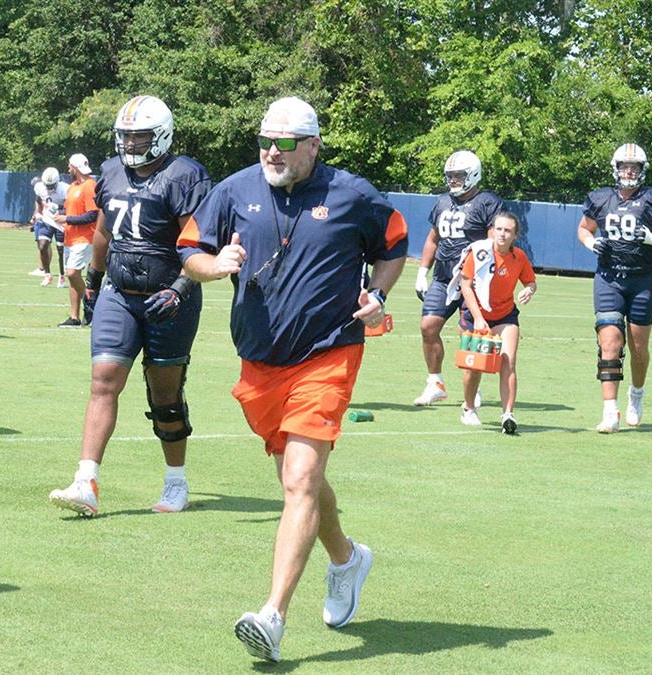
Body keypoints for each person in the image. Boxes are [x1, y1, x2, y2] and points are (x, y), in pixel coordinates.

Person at [178, 97, 407, 663]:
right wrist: (215, 265)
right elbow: (189, 251)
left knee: (301, 479)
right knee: (299, 482)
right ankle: (347, 559)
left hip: (329, 355)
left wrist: (377, 296)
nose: (271, 152)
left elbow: (395, 243)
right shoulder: (233, 190)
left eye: (283, 143)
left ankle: (272, 615)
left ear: (313, 145)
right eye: (264, 142)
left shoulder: (353, 194)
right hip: (259, 362)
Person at [48, 95, 212, 517]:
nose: (131, 146)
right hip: (119, 293)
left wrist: (179, 287)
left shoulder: (184, 174)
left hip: (169, 296)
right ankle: (86, 480)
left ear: (161, 136)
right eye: (126, 137)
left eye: (139, 137)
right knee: (103, 378)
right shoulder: (111, 171)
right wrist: (96, 281)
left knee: (165, 395)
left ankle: (175, 481)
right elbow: (103, 230)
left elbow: (197, 242)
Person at [577, 143, 652, 432]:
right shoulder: (600, 198)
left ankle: (636, 393)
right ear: (615, 168)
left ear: (642, 170)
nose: (629, 171)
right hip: (609, 277)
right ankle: (610, 411)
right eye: (624, 166)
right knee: (609, 341)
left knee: (638, 347)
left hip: (642, 279)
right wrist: (590, 243)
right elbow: (584, 228)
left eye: (634, 167)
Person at [412, 150, 504, 407]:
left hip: (472, 281)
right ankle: (435, 383)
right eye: (450, 176)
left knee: (470, 333)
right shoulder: (442, 202)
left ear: (473, 174)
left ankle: (472, 389)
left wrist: (477, 266)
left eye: (458, 175)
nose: (453, 180)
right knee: (428, 326)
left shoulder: (487, 202)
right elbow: (433, 239)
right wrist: (422, 271)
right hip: (443, 277)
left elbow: (493, 241)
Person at [454, 212, 537, 433]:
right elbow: (465, 285)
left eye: (507, 230)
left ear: (515, 235)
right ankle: (469, 409)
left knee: (508, 362)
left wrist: (529, 290)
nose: (502, 234)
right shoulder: (480, 252)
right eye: (499, 229)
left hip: (505, 315)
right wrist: (479, 318)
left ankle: (507, 415)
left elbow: (530, 281)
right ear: (492, 230)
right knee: (475, 366)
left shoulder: (519, 256)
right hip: (476, 314)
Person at [54, 153, 99, 327]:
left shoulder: (89, 186)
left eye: (70, 166)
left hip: (85, 237)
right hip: (70, 237)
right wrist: (59, 217)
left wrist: (67, 220)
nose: (68, 169)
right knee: (73, 276)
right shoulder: (73, 186)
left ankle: (93, 302)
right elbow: (71, 212)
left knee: (73, 273)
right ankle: (74, 317)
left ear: (75, 167)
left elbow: (92, 215)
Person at [32, 167, 67, 287]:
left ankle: (62, 276)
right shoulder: (40, 187)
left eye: (52, 185)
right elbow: (38, 200)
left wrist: (60, 212)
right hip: (46, 219)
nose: (49, 188)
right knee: (42, 246)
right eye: (47, 185)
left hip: (60, 221)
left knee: (61, 251)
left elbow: (70, 207)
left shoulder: (65, 189)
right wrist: (37, 212)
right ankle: (47, 275)